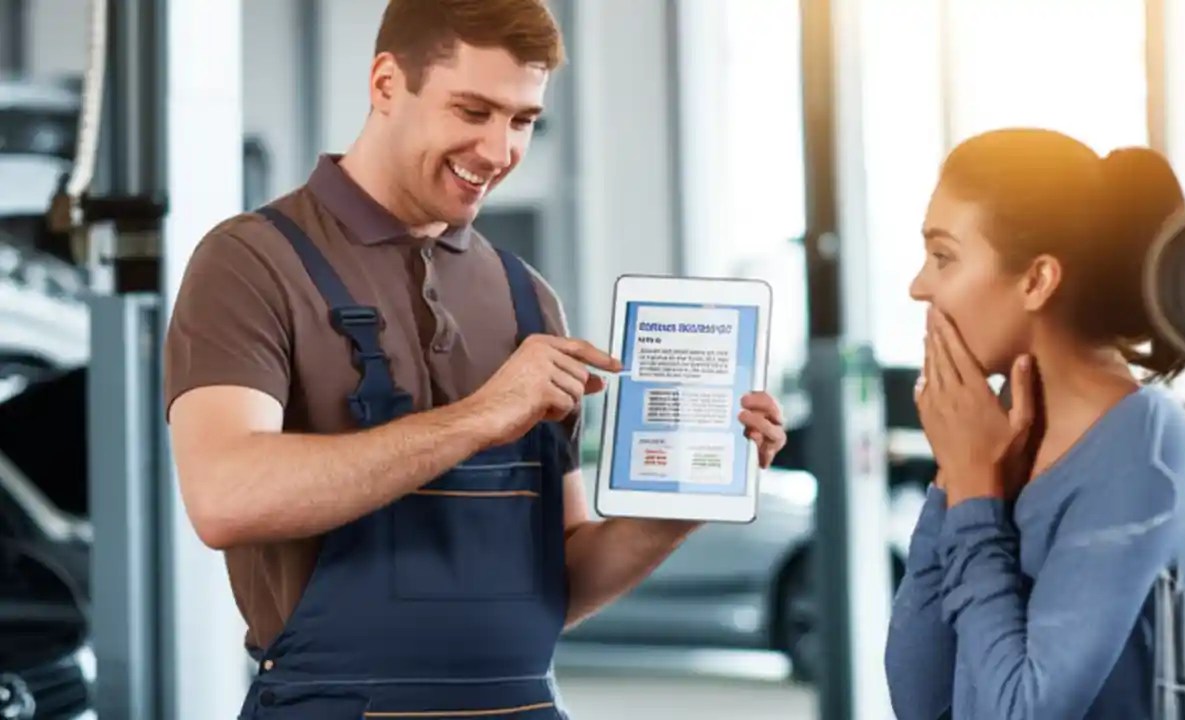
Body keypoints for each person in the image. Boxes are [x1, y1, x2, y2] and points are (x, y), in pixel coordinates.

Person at [163, 1, 787, 717]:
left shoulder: (527, 299)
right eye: (473, 110)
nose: (498, 151)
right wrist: (483, 416)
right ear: (387, 83)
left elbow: (564, 578)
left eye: (522, 120)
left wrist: (692, 494)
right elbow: (224, 496)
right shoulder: (252, 262)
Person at [884, 128, 1185, 720]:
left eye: (943, 256)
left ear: (1037, 280)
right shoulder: (998, 435)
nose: (918, 285)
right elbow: (920, 699)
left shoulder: (1143, 447)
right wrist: (958, 475)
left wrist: (976, 499)